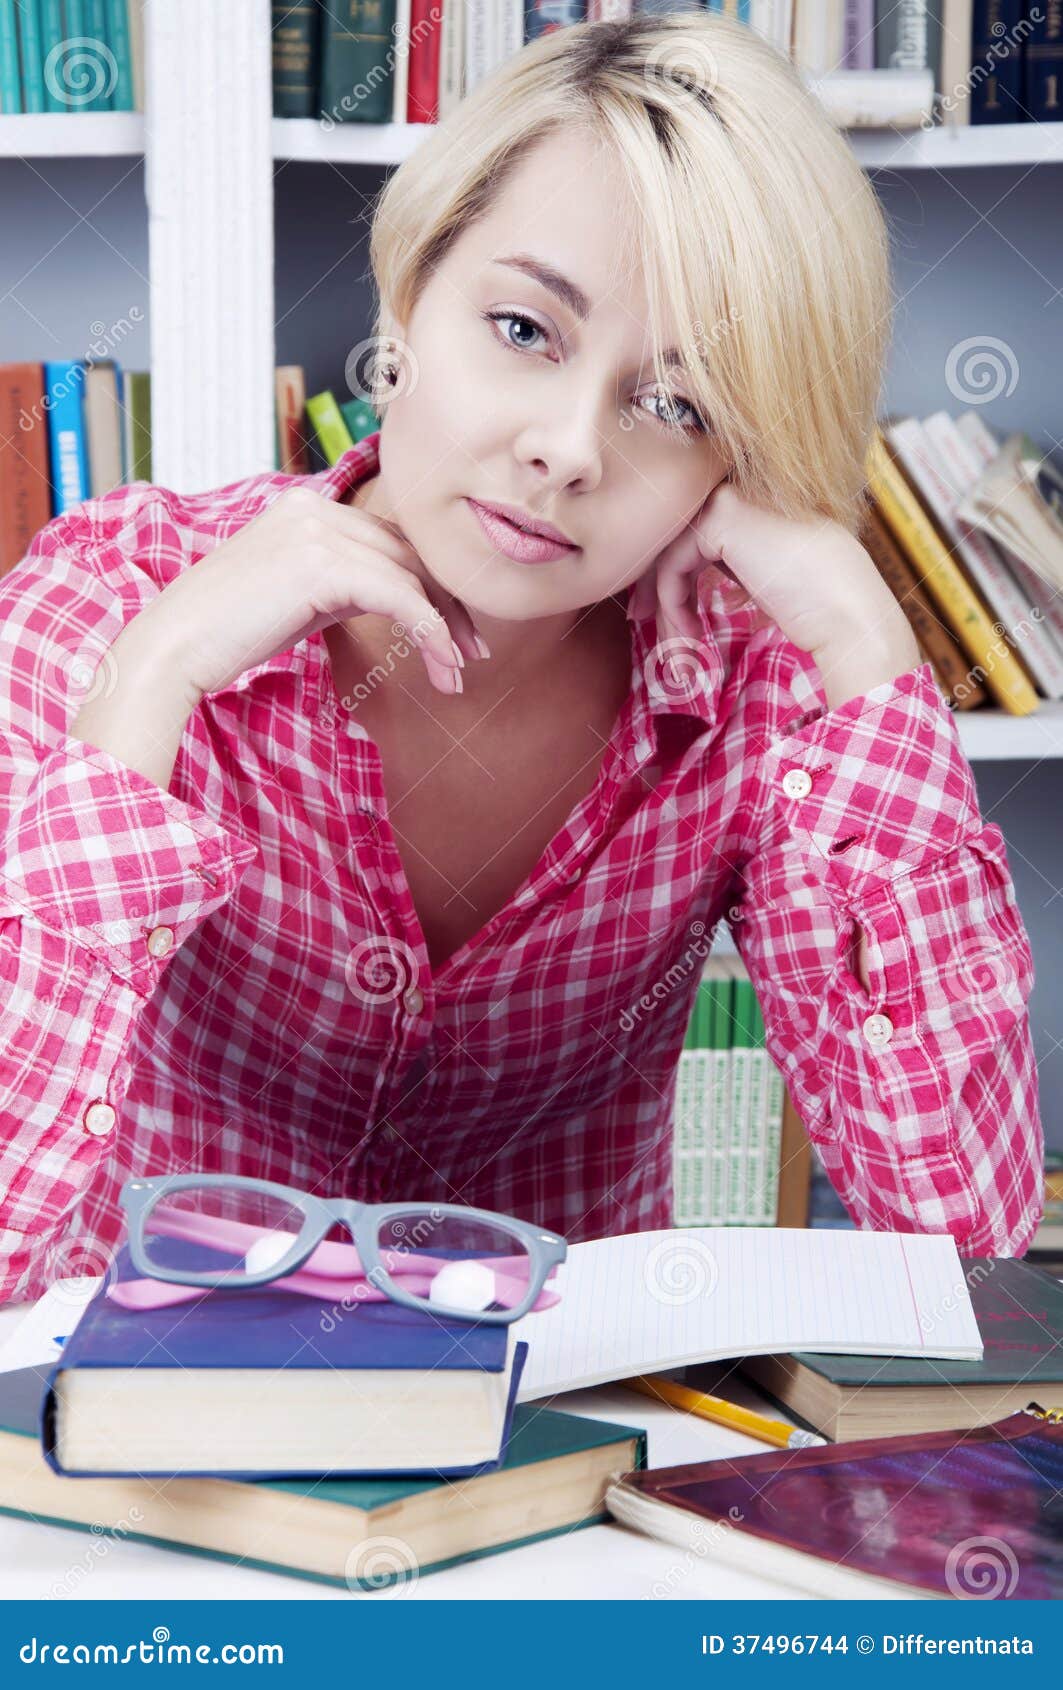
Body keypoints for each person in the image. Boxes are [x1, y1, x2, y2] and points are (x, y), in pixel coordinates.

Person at [0, 15, 1042, 1307]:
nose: (570, 450)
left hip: (561, 1423)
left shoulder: (762, 685)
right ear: (408, 296)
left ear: (736, 456)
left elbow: (964, 1248)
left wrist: (869, 646)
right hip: (158, 1413)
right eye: (524, 328)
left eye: (677, 404)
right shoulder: (113, 599)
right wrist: (151, 684)